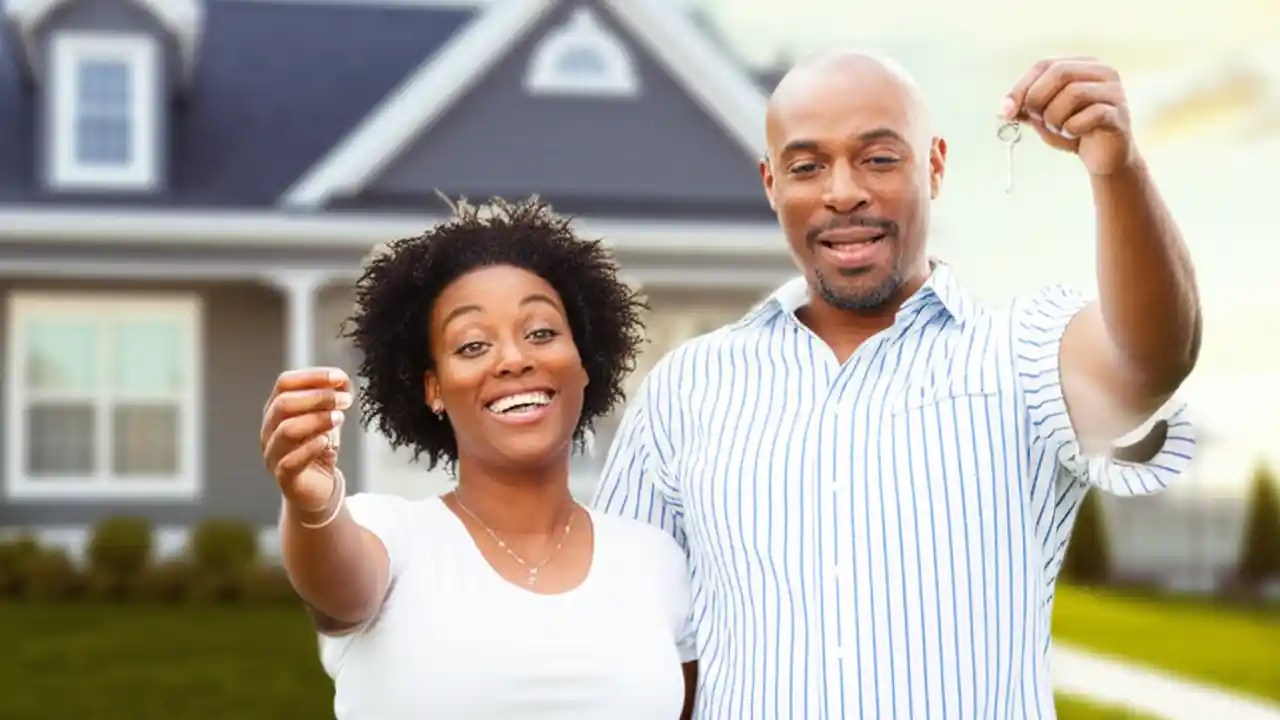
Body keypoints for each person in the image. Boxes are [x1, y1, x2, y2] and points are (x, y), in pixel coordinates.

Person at [593, 50, 1202, 719]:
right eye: (807, 166)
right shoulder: (688, 387)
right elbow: (638, 639)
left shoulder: (1017, 356)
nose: (843, 191)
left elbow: (1148, 358)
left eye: (879, 158)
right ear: (771, 185)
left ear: (934, 165)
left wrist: (1117, 169)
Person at [259, 198, 697, 719]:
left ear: (584, 364)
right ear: (434, 388)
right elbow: (338, 593)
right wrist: (313, 504)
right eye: (471, 346)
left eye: (541, 333)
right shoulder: (390, 533)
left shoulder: (655, 560)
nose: (514, 359)